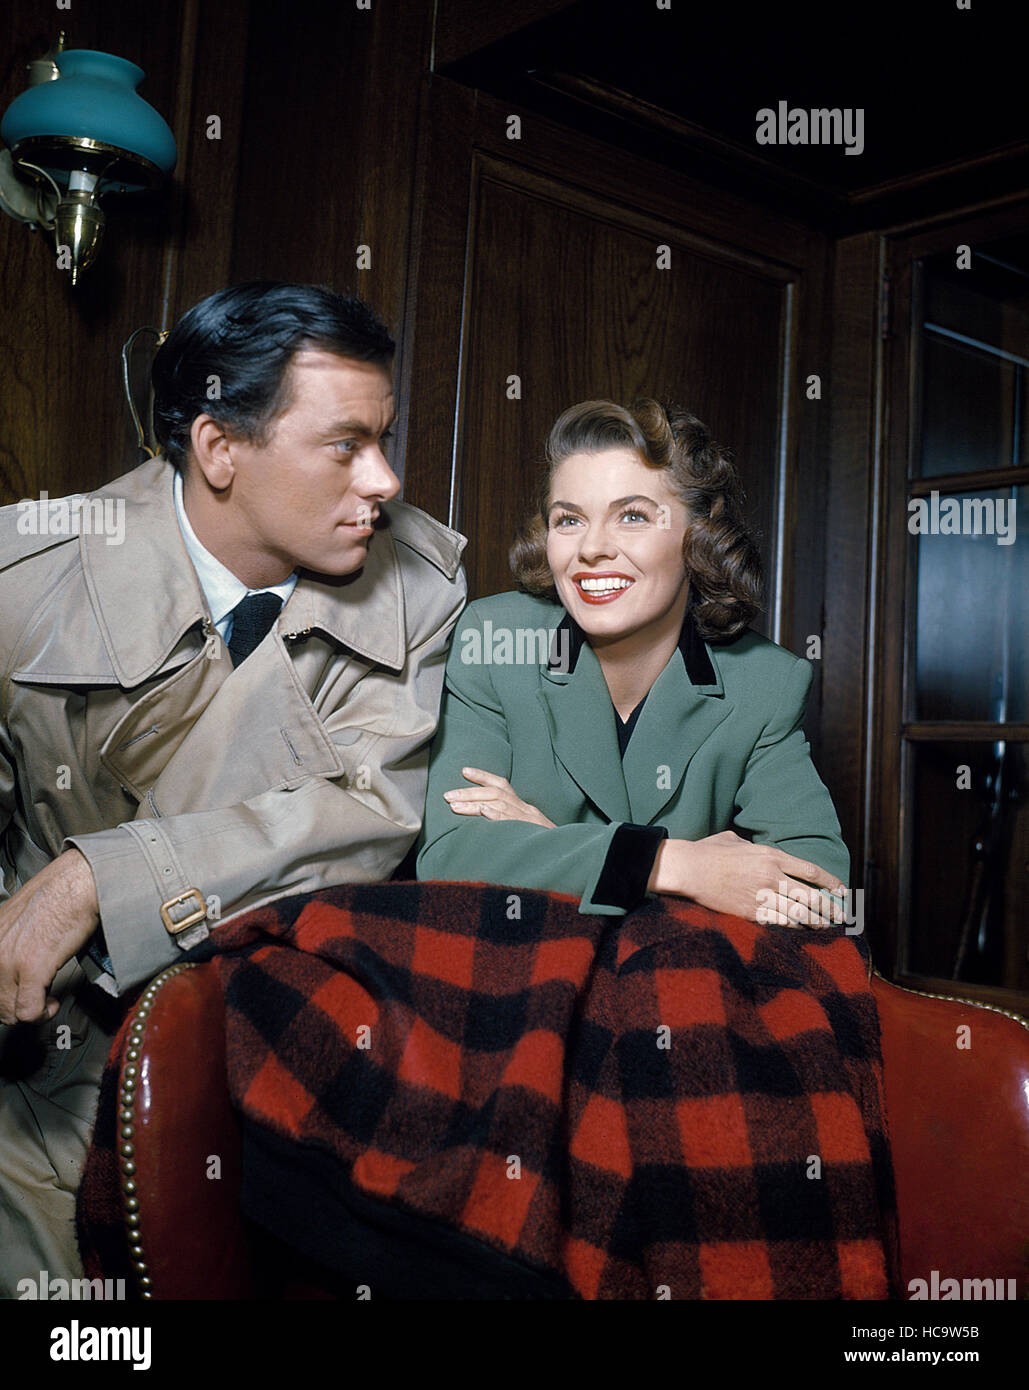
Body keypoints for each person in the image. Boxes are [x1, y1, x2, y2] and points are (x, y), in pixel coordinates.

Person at [0, 282, 466, 1295]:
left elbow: (368, 819)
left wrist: (100, 879)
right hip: (32, 1059)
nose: (386, 478)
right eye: (346, 445)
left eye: (384, 438)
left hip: (260, 1051)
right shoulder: (23, 569)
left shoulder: (422, 588)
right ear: (218, 448)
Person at [416, 397, 848, 925]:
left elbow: (819, 890)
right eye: (569, 519)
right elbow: (452, 856)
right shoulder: (492, 640)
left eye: (633, 516)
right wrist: (677, 865)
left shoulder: (765, 683)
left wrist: (546, 845)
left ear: (700, 538)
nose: (593, 548)